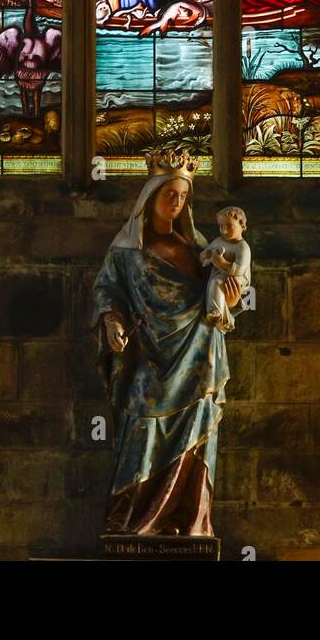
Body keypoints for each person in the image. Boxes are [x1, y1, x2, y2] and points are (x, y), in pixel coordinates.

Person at [90, 162, 243, 536]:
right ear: (151, 198)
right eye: (169, 195)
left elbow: (220, 292)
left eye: (183, 196)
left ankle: (187, 521)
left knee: (194, 433)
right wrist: (112, 320)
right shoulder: (126, 250)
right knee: (142, 431)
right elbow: (106, 290)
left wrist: (230, 298)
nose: (176, 202)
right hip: (147, 354)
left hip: (200, 351)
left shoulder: (199, 248)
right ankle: (131, 521)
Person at [199, 207, 251, 333]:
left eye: (229, 226)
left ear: (242, 225)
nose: (224, 230)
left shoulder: (243, 247)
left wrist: (222, 263)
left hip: (237, 280)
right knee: (215, 283)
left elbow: (239, 270)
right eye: (221, 226)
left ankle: (218, 314)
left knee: (216, 283)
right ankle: (218, 316)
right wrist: (206, 255)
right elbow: (203, 256)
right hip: (220, 275)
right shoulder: (218, 241)